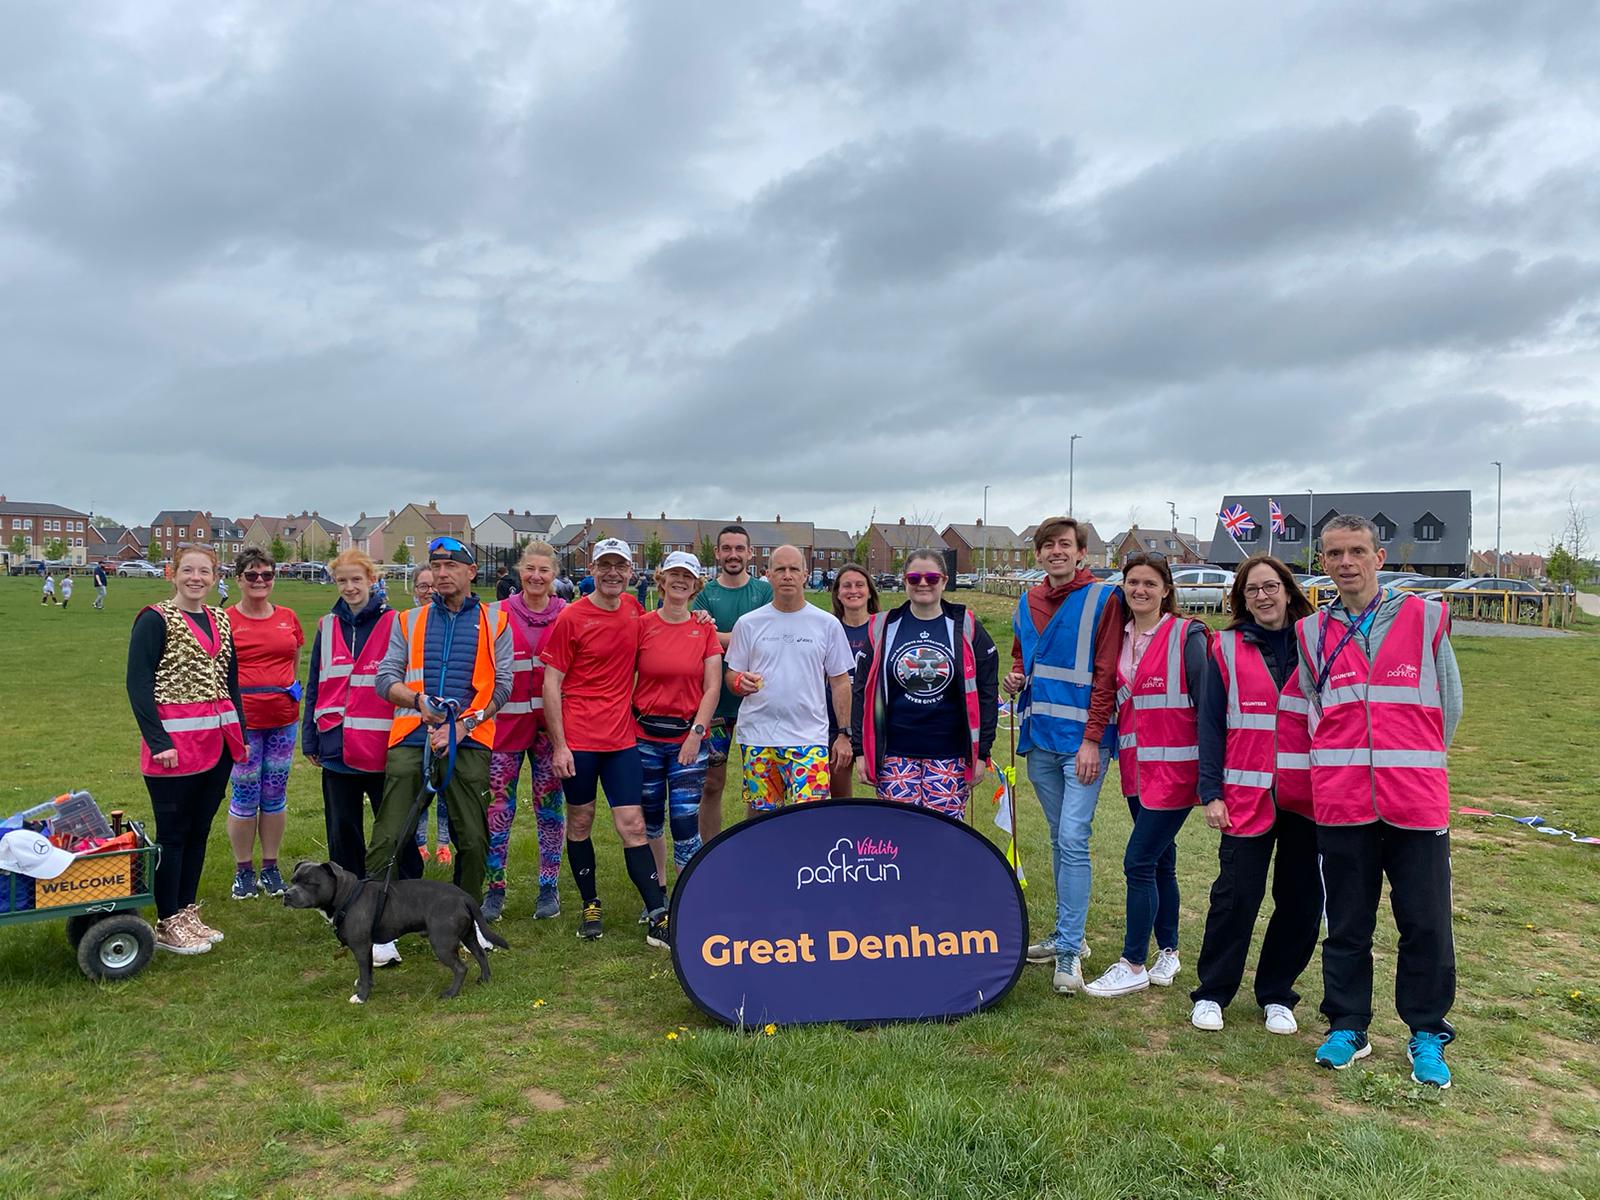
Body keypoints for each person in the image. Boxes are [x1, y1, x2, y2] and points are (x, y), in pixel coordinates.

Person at [1298, 515, 1463, 1088]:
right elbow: (1315, 710)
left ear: (1379, 556)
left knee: (1425, 922)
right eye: (1335, 553)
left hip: (1415, 800)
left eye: (1357, 551)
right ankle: (1348, 1024)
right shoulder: (1311, 632)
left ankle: (1426, 1030)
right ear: (1322, 561)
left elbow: (1449, 707)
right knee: (1347, 922)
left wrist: (1408, 760)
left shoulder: (1425, 619)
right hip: (1343, 801)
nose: (1346, 563)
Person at [542, 538, 700, 947]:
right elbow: (551, 683)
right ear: (591, 570)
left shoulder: (635, 611)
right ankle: (590, 902)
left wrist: (697, 618)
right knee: (580, 821)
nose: (613, 573)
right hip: (578, 741)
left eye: (621, 566)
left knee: (632, 825)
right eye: (605, 565)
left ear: (632, 573)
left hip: (621, 740)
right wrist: (559, 746)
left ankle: (658, 915)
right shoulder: (572, 617)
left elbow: (670, 631)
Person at [1189, 555, 1320, 1035]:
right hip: (1244, 795)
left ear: (1287, 590)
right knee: (1236, 896)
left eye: (1270, 586)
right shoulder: (1223, 648)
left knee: (1302, 900)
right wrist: (1210, 792)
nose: (1262, 596)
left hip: (1308, 796)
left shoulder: (1319, 642)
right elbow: (1211, 723)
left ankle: (1277, 994)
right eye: (1251, 590)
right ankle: (1212, 993)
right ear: (1241, 600)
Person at [1003, 516, 1124, 995]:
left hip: (1082, 745)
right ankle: (1063, 936)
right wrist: (1015, 677)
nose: (1056, 551)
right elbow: (1022, 656)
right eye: (1047, 545)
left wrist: (1093, 739)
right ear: (1038, 555)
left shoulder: (1102, 599)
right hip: (1040, 741)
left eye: (1065, 545)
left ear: (1081, 554)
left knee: (1073, 838)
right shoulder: (1027, 600)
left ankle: (1071, 951)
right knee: (1058, 838)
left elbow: (1106, 671)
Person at [1082, 553, 1210, 998]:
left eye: (1150, 583)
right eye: (1132, 582)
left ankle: (1132, 961)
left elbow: (1207, 704)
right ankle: (1169, 950)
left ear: (1166, 590)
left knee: (1138, 861)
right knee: (1161, 860)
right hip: (1138, 769)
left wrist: (1211, 777)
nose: (1140, 590)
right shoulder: (1120, 636)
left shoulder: (1186, 635)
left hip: (1176, 770)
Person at [369, 536, 512, 929]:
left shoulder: (495, 622)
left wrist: (464, 726)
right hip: (411, 740)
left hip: (468, 742)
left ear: (471, 572)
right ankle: (379, 922)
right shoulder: (407, 620)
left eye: (451, 567)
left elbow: (503, 686)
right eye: (436, 566)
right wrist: (417, 703)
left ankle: (465, 918)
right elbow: (385, 679)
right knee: (388, 837)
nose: (442, 574)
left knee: (472, 839)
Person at [126, 544, 246, 955]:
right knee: (173, 835)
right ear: (172, 574)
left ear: (215, 577)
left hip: (217, 744)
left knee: (199, 831)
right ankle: (167, 920)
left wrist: (239, 735)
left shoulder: (220, 620)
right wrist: (158, 742)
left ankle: (187, 911)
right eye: (188, 571)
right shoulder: (154, 619)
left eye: (205, 572)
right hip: (173, 747)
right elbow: (138, 685)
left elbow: (231, 682)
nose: (197, 578)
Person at [303, 549, 410, 961]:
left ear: (372, 580)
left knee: (393, 833)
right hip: (336, 747)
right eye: (342, 581)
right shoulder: (327, 625)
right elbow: (314, 681)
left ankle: (399, 904)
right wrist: (309, 738)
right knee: (343, 831)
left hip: (385, 746)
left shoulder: (394, 622)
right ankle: (346, 906)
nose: (349, 588)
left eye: (356, 580)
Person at [853, 550, 998, 817]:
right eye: (914, 577)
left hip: (949, 755)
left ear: (943, 580)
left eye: (931, 577)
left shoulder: (966, 626)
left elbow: (987, 693)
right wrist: (860, 751)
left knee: (943, 838)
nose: (923, 583)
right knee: (898, 836)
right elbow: (861, 692)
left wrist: (981, 754)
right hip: (895, 755)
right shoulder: (883, 627)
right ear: (904, 581)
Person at [725, 545, 854, 816]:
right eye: (780, 569)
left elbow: (841, 681)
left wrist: (843, 733)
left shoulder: (826, 624)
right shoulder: (748, 624)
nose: (787, 575)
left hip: (809, 737)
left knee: (810, 816)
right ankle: (764, 859)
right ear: (768, 575)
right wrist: (739, 683)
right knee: (761, 815)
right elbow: (731, 675)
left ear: (806, 575)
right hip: (759, 736)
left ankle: (807, 859)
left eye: (794, 569)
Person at [482, 540, 570, 922]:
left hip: (550, 731)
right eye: (530, 569)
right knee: (499, 809)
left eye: (544, 570)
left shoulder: (568, 614)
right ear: (520, 571)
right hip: (504, 728)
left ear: (554, 575)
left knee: (549, 809)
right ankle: (494, 889)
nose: (536, 576)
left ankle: (548, 887)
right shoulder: (495, 613)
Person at [635, 551, 723, 889]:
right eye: (674, 574)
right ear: (661, 580)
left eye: (687, 577)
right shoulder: (642, 626)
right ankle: (658, 891)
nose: (680, 581)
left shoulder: (703, 629)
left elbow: (712, 686)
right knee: (651, 819)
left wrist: (696, 734)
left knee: (685, 821)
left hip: (689, 738)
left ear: (696, 584)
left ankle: (691, 893)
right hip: (644, 737)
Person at [224, 548, 305, 900]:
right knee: (244, 796)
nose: (260, 581)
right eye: (252, 575)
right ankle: (244, 870)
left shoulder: (288, 616)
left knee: (274, 795)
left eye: (267, 575)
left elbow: (294, 659)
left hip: (283, 722)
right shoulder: (224, 619)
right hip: (244, 724)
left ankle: (270, 868)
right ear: (239, 579)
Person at [692, 525, 774, 839]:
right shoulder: (705, 593)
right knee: (712, 783)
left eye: (740, 548)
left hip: (760, 702)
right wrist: (750, 636)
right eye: (727, 548)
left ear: (750, 553)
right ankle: (709, 853)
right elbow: (702, 639)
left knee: (761, 786)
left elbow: (770, 636)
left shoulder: (764, 592)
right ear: (717, 553)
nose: (733, 555)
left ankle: (755, 849)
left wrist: (722, 637)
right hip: (716, 704)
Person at [828, 565, 879, 798]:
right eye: (846, 586)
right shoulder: (827, 628)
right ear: (837, 593)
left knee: (893, 792)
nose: (853, 591)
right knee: (839, 796)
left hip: (875, 720)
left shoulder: (884, 628)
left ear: (869, 591)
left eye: (860, 585)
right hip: (834, 722)